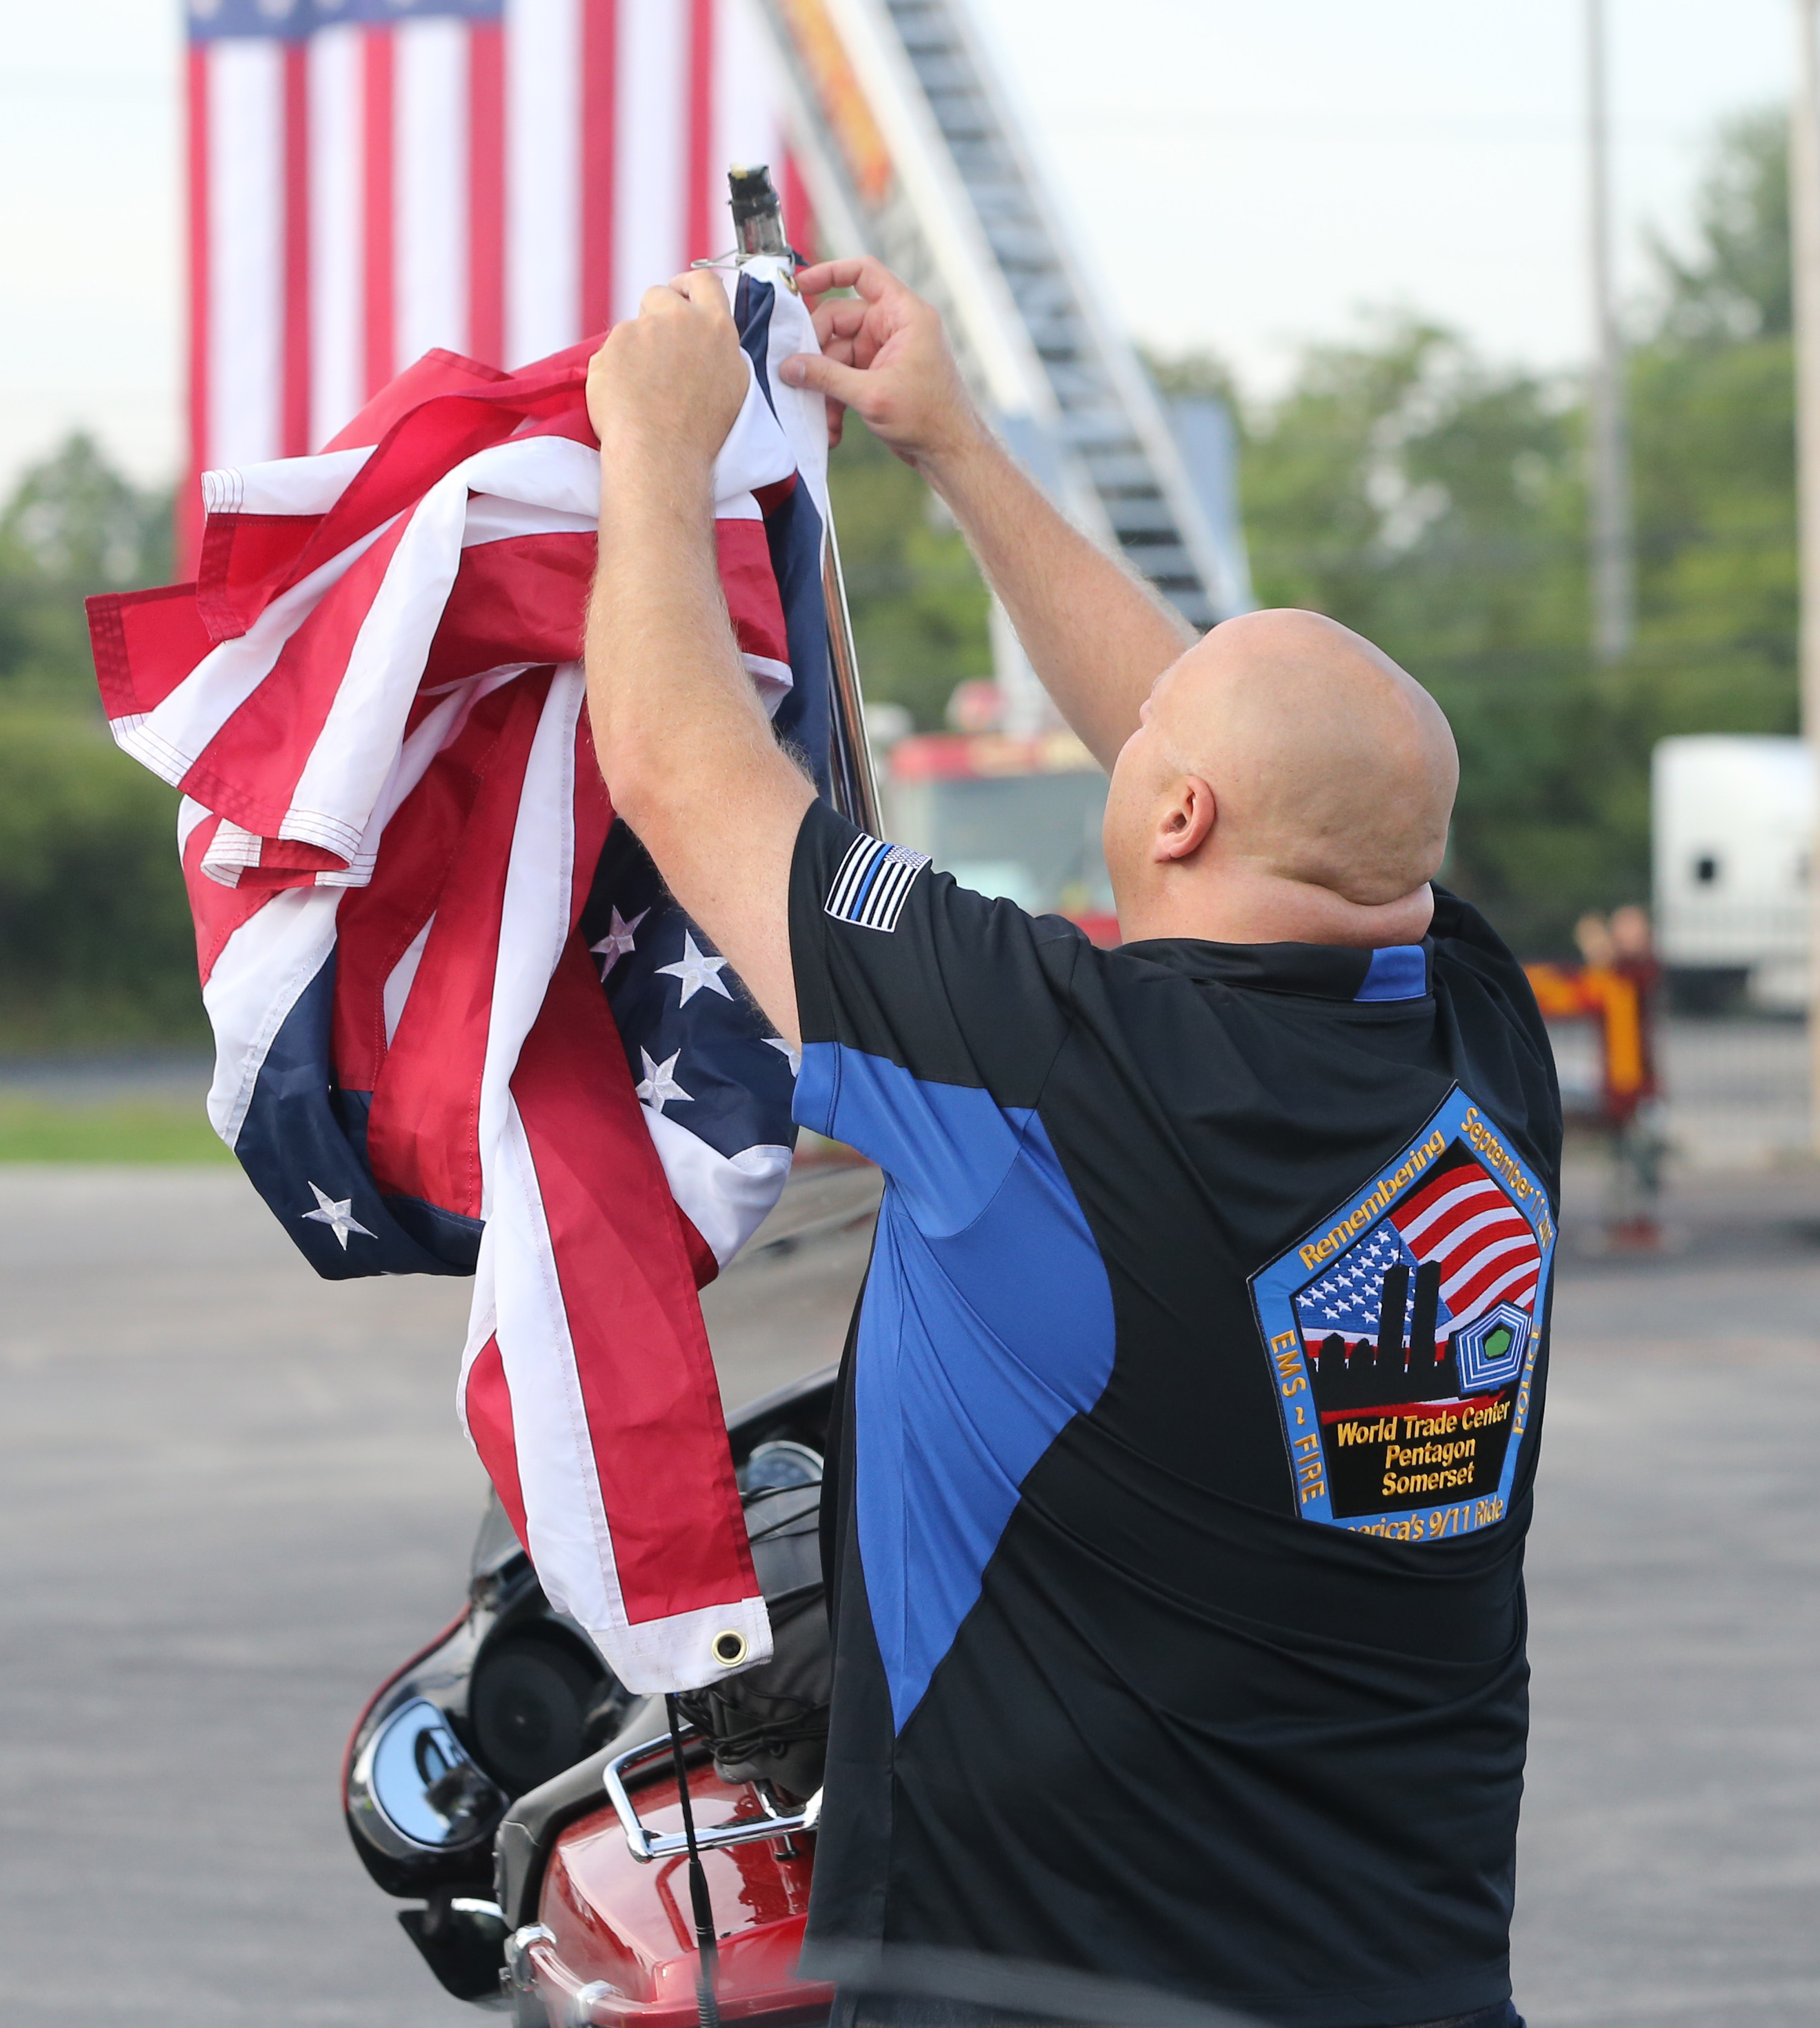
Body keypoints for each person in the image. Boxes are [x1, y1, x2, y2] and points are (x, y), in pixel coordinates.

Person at [582, 257, 1561, 2028]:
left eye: (1149, 749)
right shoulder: (1479, 1054)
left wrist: (651, 452)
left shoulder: (1048, 1063)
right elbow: (1254, 769)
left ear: (1172, 808)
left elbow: (675, 767)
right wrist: (954, 445)